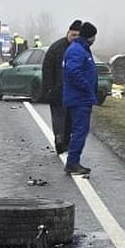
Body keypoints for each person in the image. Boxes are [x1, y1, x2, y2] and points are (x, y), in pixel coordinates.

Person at [62, 21, 99, 175]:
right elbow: (73, 72)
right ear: (90, 36)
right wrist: (87, 87)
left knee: (80, 130)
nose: (95, 39)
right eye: (94, 36)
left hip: (81, 97)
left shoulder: (81, 48)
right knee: (80, 130)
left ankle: (73, 161)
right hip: (79, 98)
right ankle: (72, 163)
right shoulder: (78, 50)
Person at [42, 20, 82, 154]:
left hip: (73, 91)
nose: (75, 38)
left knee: (70, 119)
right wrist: (48, 89)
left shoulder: (80, 49)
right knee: (59, 117)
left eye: (78, 36)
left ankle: (66, 142)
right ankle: (59, 140)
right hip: (57, 90)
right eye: (73, 35)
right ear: (68, 33)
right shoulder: (56, 48)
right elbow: (47, 69)